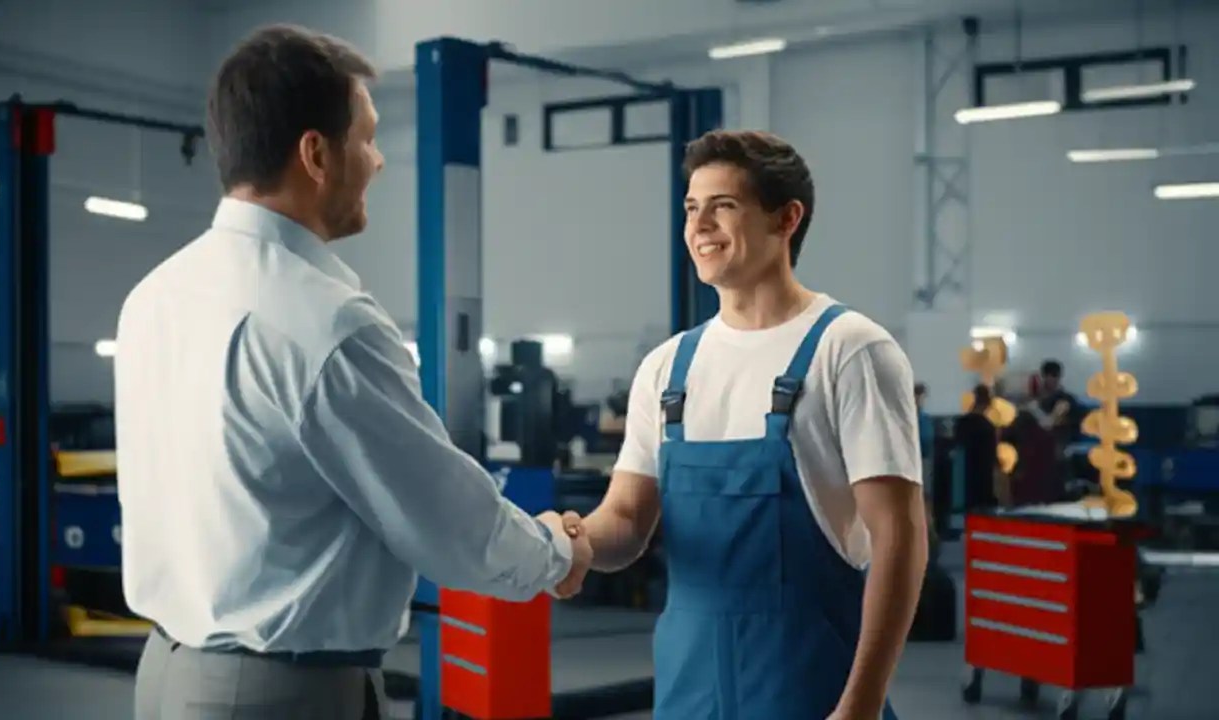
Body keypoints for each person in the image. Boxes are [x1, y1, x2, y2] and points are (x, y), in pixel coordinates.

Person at [114, 25, 590, 720]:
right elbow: (444, 519)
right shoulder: (326, 322)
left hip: (167, 671)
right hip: (277, 691)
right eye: (366, 139)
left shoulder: (156, 294)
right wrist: (554, 551)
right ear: (316, 154)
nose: (377, 161)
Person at [569, 130, 928, 720]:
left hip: (812, 691)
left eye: (723, 206)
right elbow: (629, 519)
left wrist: (860, 703)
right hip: (689, 691)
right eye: (691, 208)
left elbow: (900, 537)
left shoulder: (850, 350)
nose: (700, 225)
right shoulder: (667, 369)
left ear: (787, 219)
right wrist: (568, 542)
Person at [954, 384, 1000, 511]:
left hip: (962, 483)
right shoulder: (988, 427)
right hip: (983, 483)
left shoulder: (961, 423)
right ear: (988, 403)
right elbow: (992, 458)